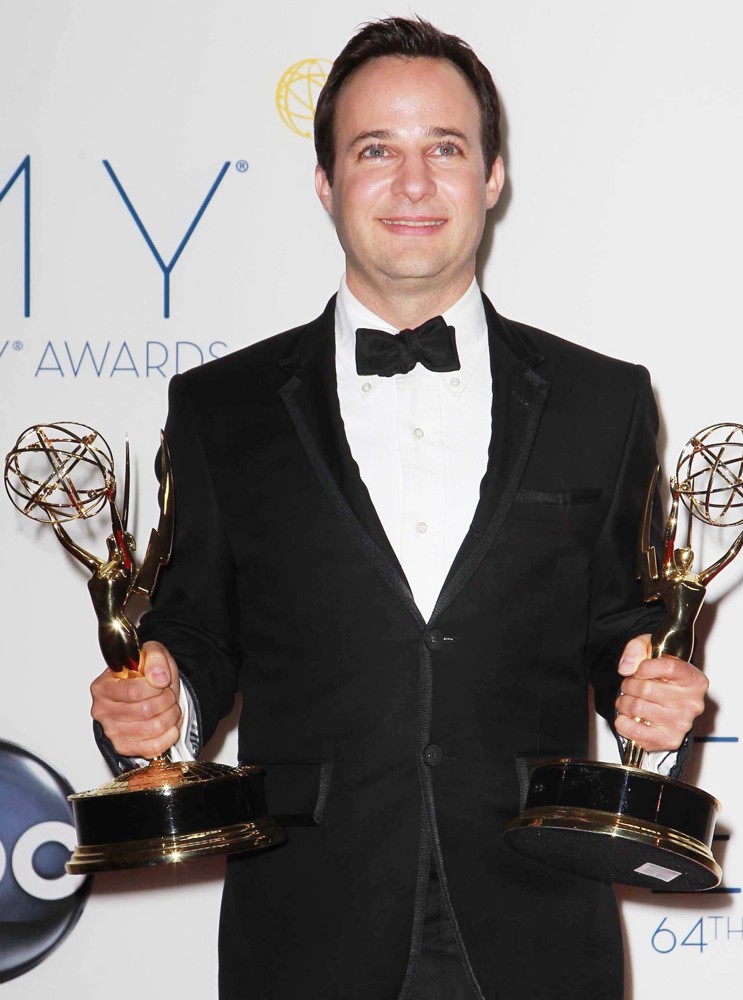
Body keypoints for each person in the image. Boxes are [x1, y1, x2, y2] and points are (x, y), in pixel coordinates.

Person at [89, 16, 708, 999]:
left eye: (445, 150)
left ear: (493, 176)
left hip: (535, 922)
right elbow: (195, 630)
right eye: (376, 151)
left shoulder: (606, 401)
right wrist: (161, 697)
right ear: (326, 182)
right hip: (305, 922)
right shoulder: (221, 409)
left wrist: (654, 700)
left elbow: (621, 628)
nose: (414, 185)